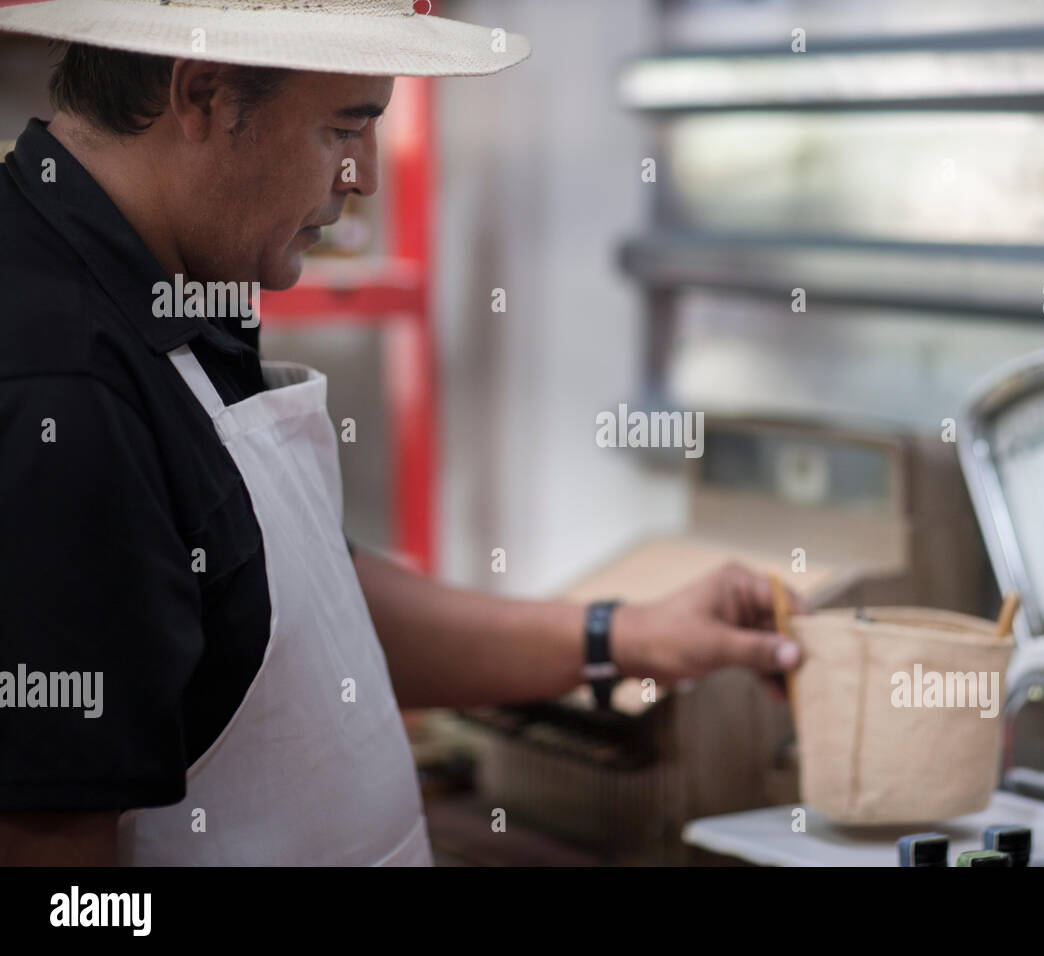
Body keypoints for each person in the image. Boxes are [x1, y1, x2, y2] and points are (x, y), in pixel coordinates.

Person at [0, 0, 802, 866]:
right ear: (203, 96)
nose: (365, 176)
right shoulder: (64, 389)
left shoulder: (169, 277)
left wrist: (620, 636)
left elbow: (281, 607)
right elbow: (51, 856)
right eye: (346, 127)